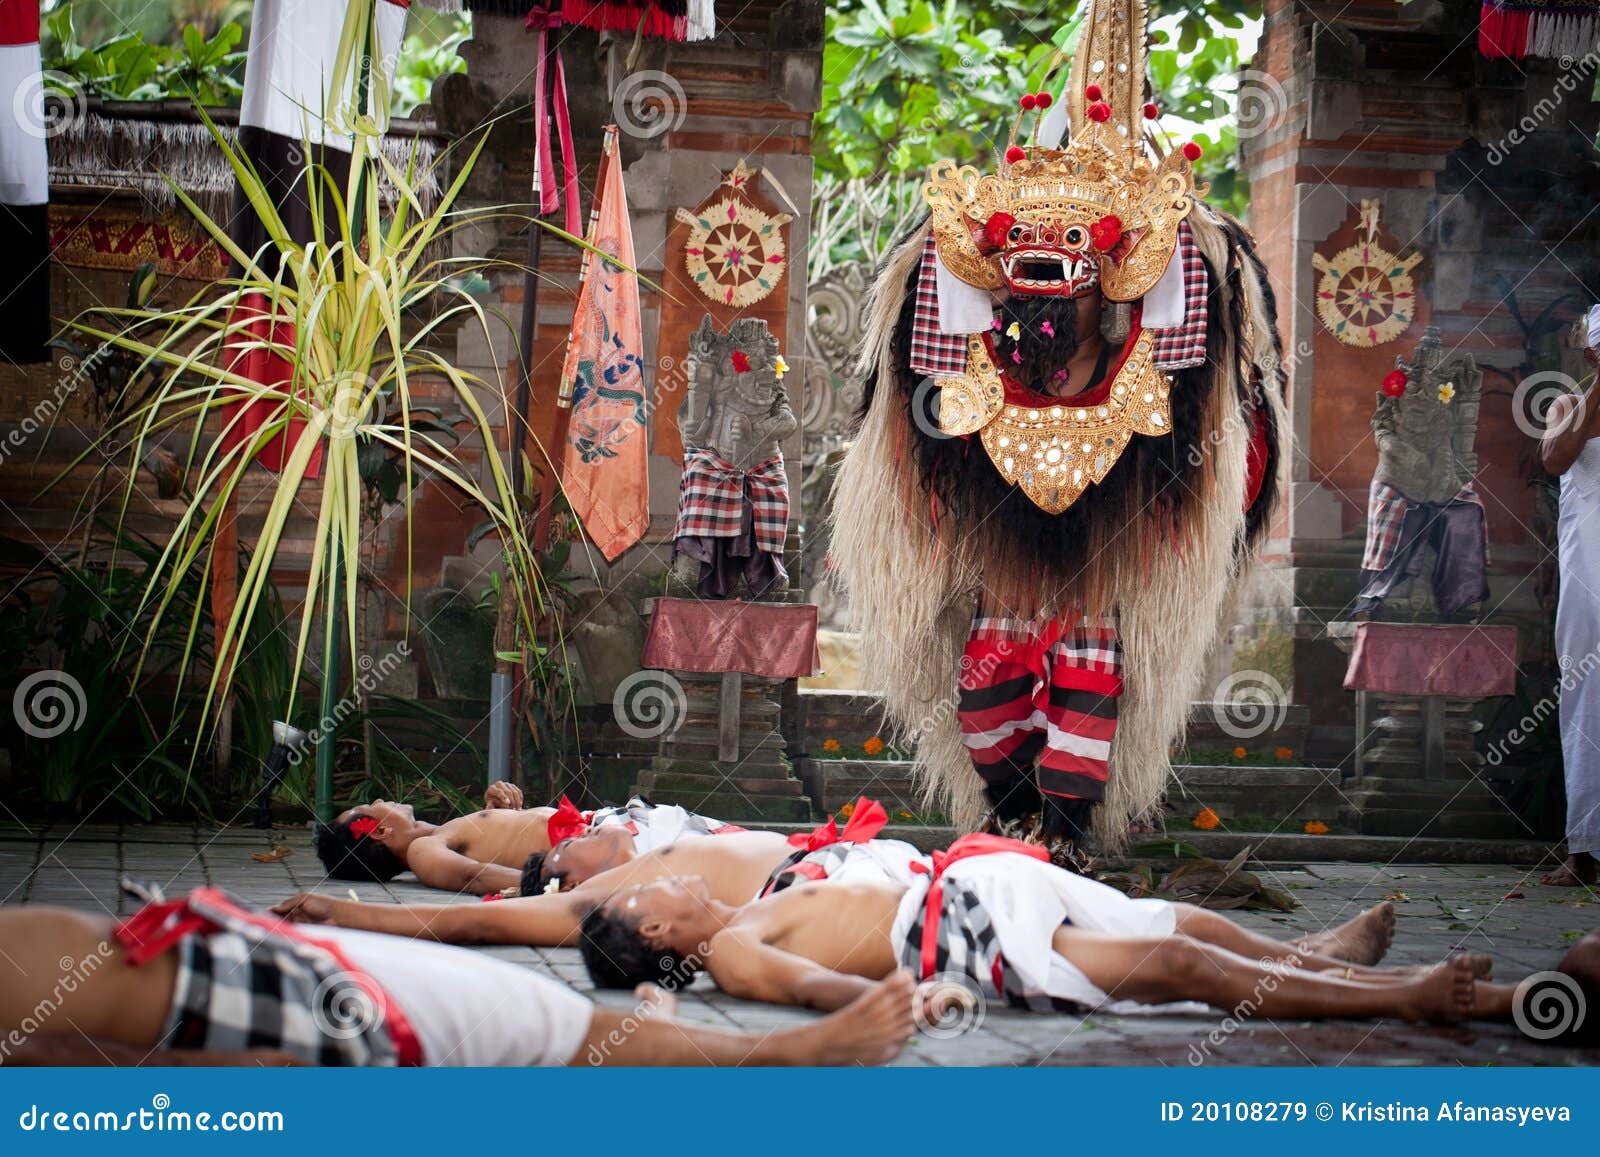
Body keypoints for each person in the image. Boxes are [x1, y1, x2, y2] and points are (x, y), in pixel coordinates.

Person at [828, 0, 1286, 864]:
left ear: (1107, 287)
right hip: (999, 592)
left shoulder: (1150, 363)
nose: (1045, 294)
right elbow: (918, 443)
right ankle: (1011, 832)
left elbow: (1202, 436)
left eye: (1069, 277)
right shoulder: (962, 361)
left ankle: (1067, 844)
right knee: (987, 716)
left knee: (1087, 713)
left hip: (1103, 588)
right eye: (1022, 274)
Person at [575, 835, 1533, 1027]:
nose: (674, 872)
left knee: (1171, 919)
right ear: (657, 926)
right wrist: (924, 998)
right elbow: (827, 994)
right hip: (954, 934)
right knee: (1179, 963)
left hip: (966, 887)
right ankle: (1414, 991)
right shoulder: (735, 951)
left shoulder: (751, 907)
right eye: (651, 893)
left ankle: (1330, 960)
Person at [0, 891, 914, 1067]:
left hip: (348, 999)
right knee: (124, 965)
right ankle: (786, 1061)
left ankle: (785, 1058)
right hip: (356, 998)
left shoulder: (663, 936)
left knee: (124, 973)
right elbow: (473, 916)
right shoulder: (597, 915)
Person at [276, 800, 924, 948]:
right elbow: (477, 908)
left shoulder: (649, 865)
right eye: (563, 851)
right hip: (826, 878)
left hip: (842, 856)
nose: (574, 834)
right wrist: (352, 914)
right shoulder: (597, 895)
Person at [315, 784, 737, 896]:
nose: (375, 800)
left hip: (601, 830)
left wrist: (504, 809)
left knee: (727, 849)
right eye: (364, 811)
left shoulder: (440, 832)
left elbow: (506, 840)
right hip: (601, 845)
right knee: (726, 858)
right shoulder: (424, 851)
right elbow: (479, 876)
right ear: (380, 831)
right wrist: (553, 887)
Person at [1540, 303, 1600, 888]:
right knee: (1586, 696)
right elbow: (1556, 457)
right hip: (1588, 580)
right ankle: (1582, 850)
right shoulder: (1567, 406)